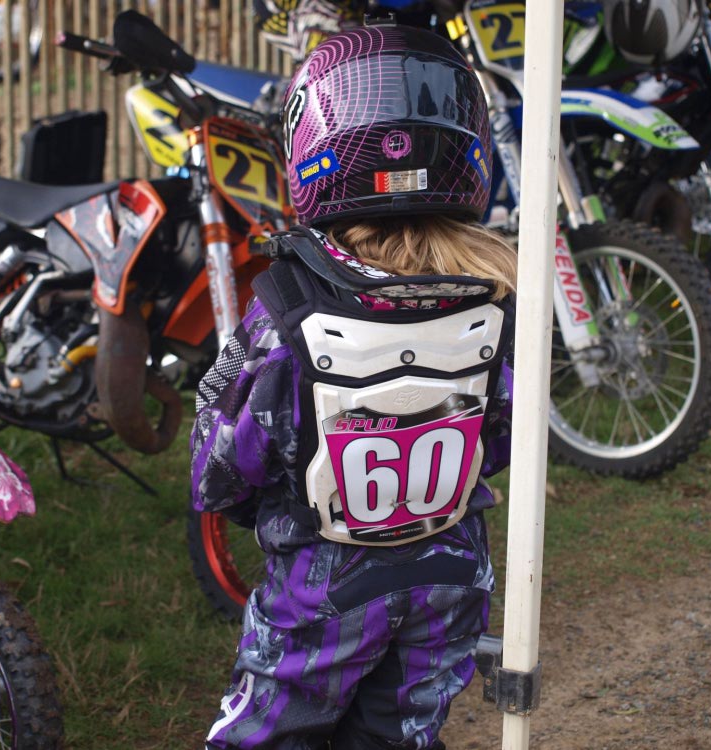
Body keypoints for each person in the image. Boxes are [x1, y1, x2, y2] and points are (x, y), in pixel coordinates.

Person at [191, 22, 517, 750]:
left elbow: (219, 471)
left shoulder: (285, 310)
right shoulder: (498, 298)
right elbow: (502, 442)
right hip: (450, 576)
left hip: (323, 590)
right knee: (399, 736)